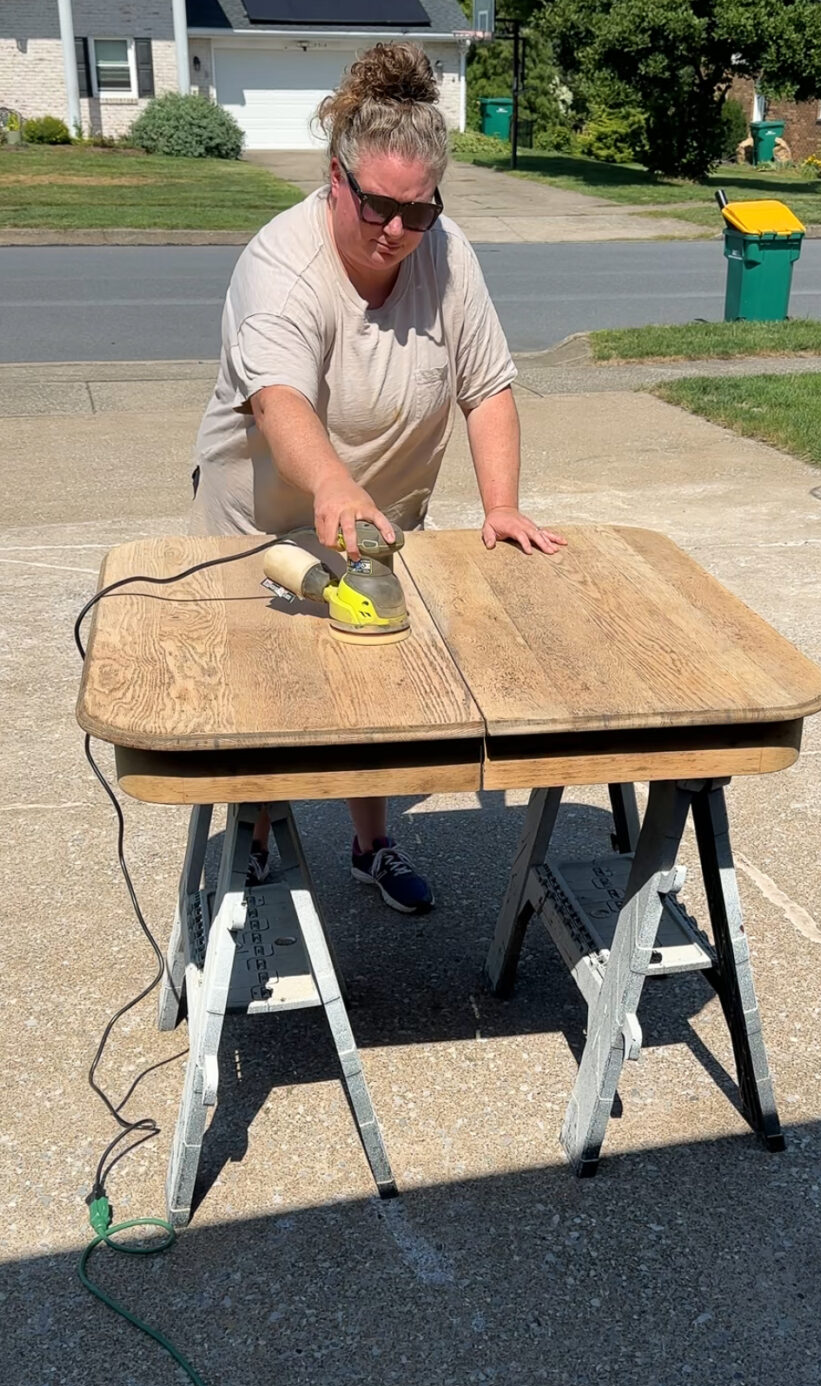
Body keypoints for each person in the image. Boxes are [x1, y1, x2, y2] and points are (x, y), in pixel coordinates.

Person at [192, 41, 565, 914]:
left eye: (416, 210)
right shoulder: (280, 267)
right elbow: (280, 402)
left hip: (380, 515)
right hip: (264, 514)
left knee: (375, 687)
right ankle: (255, 840)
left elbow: (487, 386)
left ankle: (370, 846)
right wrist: (331, 485)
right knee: (266, 697)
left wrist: (502, 505)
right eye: (377, 206)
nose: (395, 230)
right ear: (337, 179)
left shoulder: (446, 254)